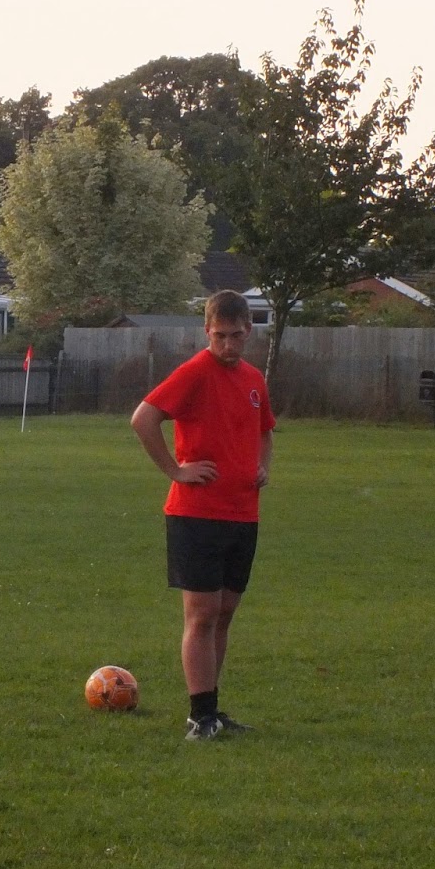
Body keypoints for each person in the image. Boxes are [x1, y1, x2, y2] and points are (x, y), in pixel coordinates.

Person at [131, 290, 276, 740]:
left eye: (236, 336)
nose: (228, 345)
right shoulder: (195, 372)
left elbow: (265, 431)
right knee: (202, 614)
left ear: (250, 331)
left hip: (242, 514)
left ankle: (212, 709)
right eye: (220, 337)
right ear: (207, 332)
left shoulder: (254, 378)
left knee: (226, 611)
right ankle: (199, 717)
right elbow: (143, 419)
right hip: (196, 514)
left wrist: (262, 467)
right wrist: (176, 470)